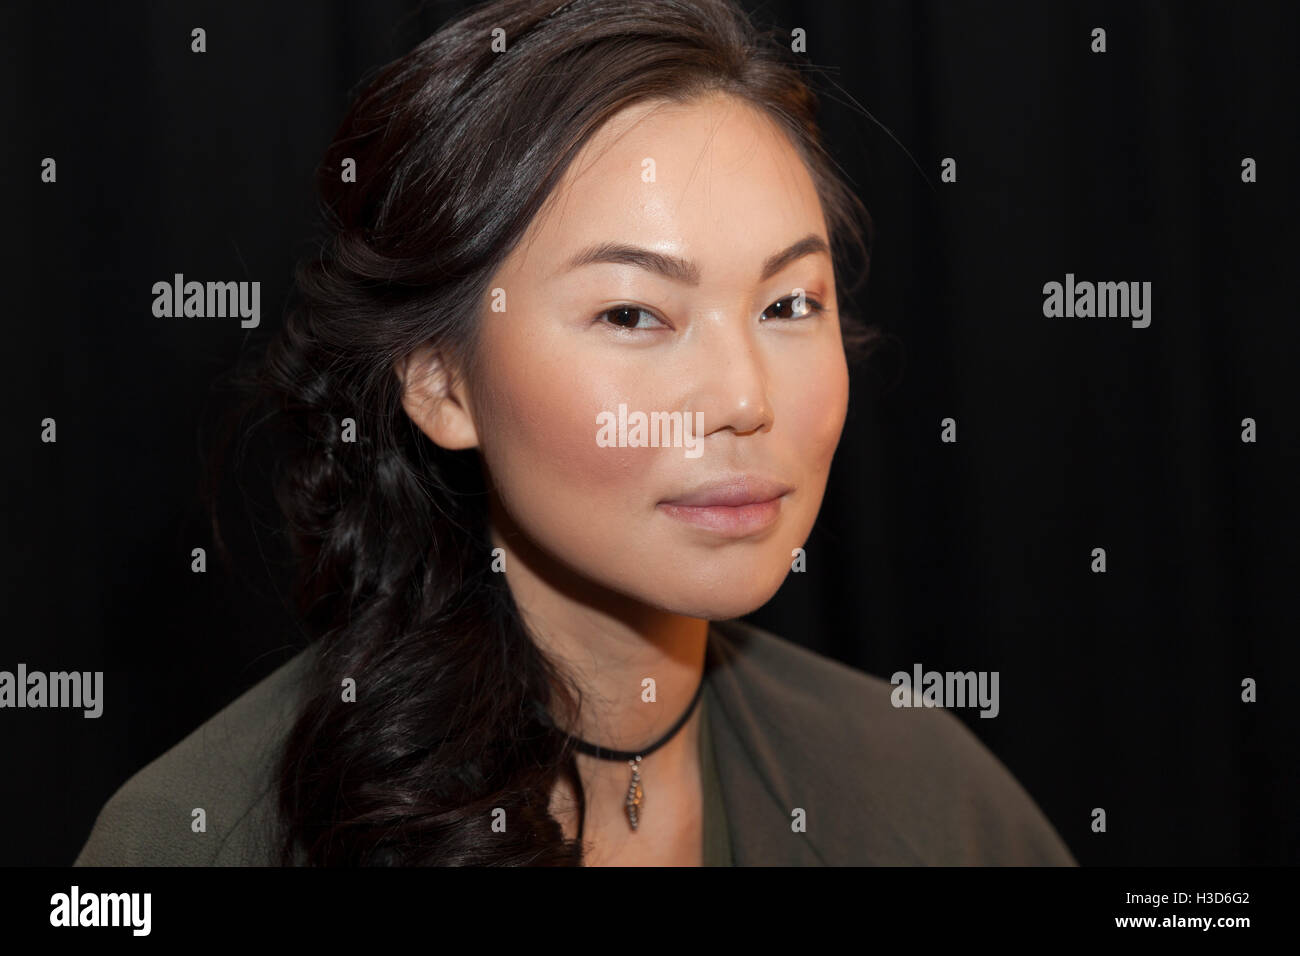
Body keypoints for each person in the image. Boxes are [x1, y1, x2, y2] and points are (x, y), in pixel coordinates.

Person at [74, 0, 1076, 867]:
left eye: (788, 304)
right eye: (633, 313)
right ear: (440, 380)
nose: (743, 397)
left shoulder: (924, 797)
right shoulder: (200, 835)